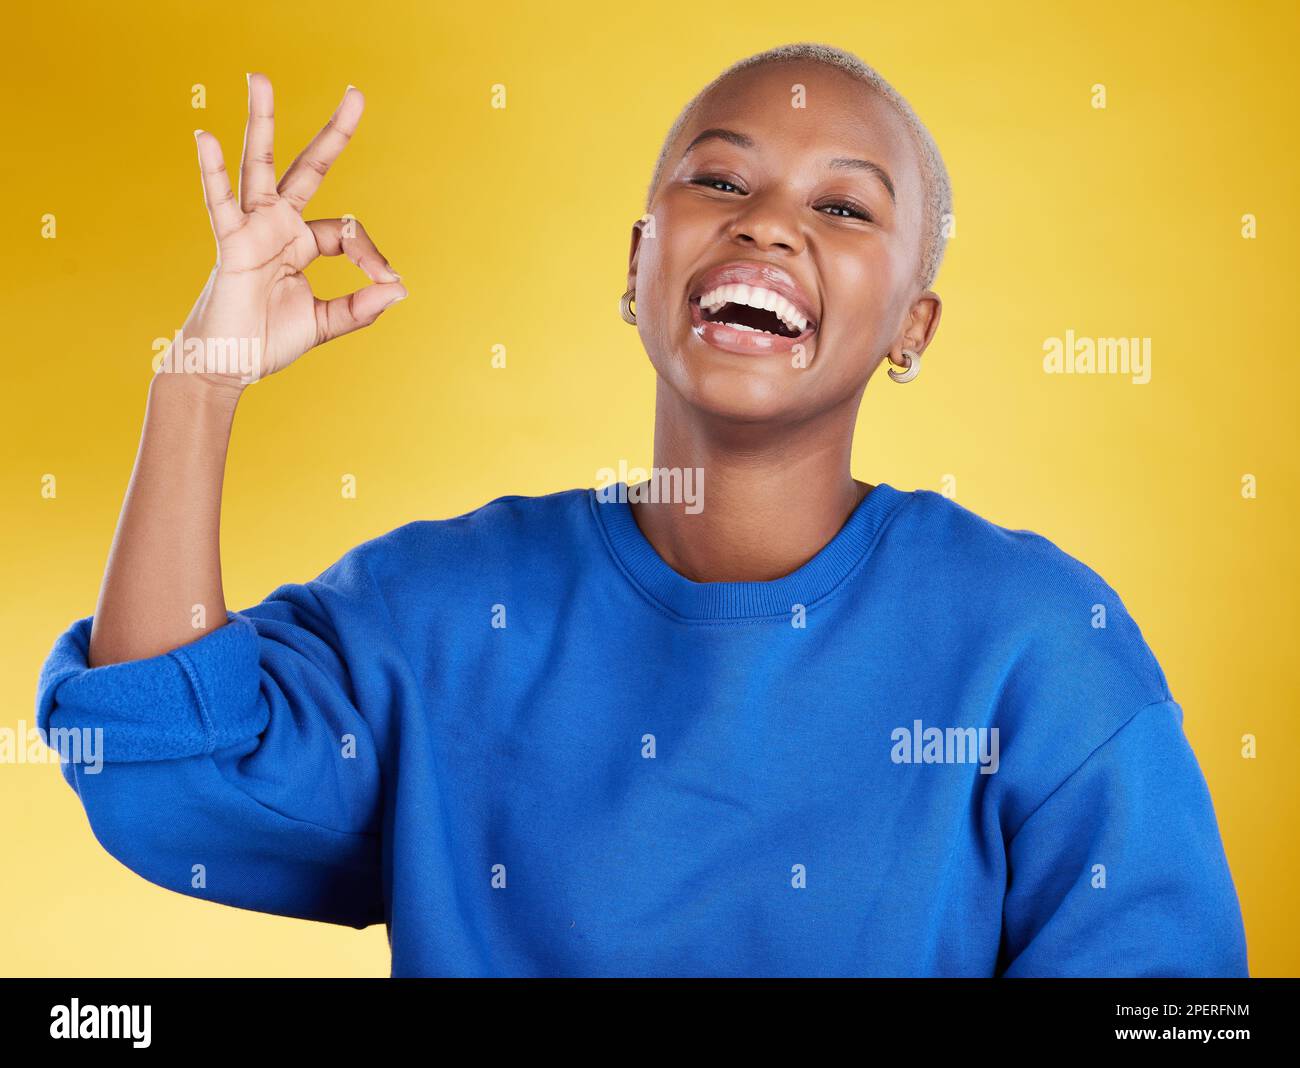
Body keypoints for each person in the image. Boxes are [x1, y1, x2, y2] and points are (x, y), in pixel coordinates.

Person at [37, 43, 1248, 977]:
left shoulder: (1034, 641)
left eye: (843, 207)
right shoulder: (448, 609)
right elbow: (155, 757)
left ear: (910, 329)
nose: (764, 220)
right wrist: (197, 378)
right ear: (636, 267)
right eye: (717, 178)